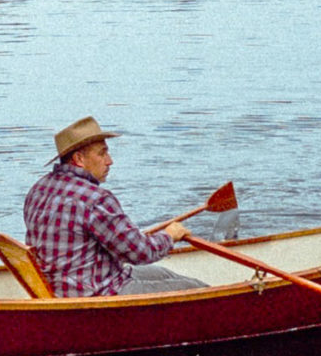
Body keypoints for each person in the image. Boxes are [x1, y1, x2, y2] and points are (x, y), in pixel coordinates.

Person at [24, 117, 205, 297]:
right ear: (79, 158)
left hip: (61, 288)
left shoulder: (38, 189)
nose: (110, 161)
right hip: (97, 293)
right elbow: (141, 253)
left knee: (163, 274)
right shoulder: (95, 199)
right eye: (102, 153)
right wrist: (170, 235)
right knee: (196, 288)